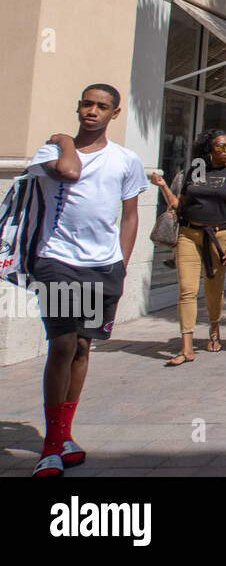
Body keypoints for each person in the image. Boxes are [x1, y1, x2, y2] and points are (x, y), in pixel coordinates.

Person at [28, 85, 148, 476]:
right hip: (58, 260)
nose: (92, 111)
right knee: (62, 343)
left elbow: (129, 215)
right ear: (77, 107)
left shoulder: (126, 160)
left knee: (83, 346)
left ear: (115, 114)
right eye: (86, 104)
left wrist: (123, 264)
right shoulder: (52, 152)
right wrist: (65, 141)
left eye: (102, 106)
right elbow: (70, 171)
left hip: (103, 265)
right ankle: (50, 445)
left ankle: (65, 434)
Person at [149, 128, 226, 365]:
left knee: (213, 289)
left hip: (221, 236)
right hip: (188, 234)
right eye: (221, 147)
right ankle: (186, 347)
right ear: (209, 150)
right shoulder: (197, 170)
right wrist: (163, 185)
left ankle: (214, 328)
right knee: (187, 289)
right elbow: (178, 204)